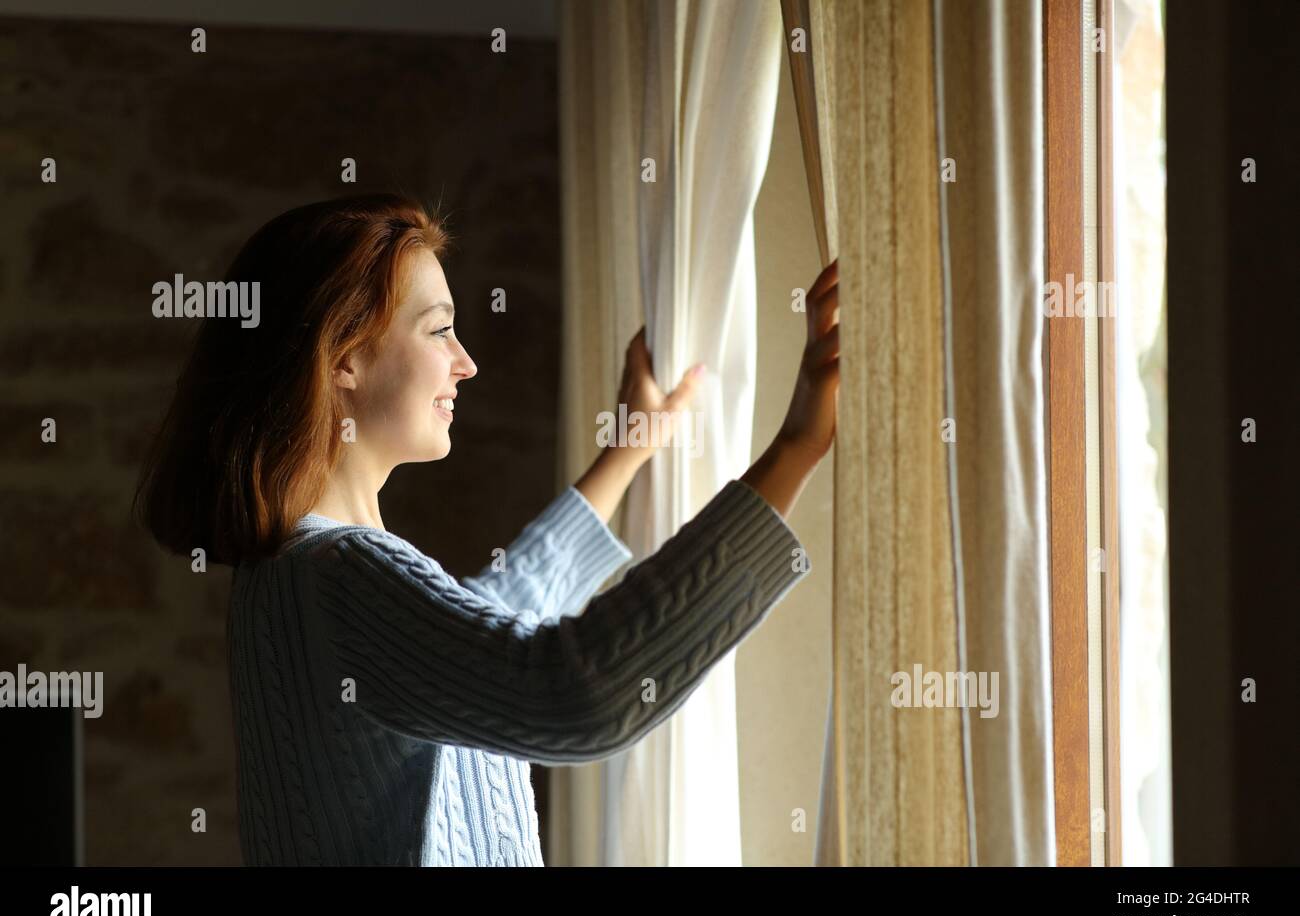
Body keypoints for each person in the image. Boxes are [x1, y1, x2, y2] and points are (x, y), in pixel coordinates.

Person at [133, 193, 840, 866]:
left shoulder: (294, 579)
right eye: (439, 329)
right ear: (343, 354)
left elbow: (498, 616)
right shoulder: (335, 577)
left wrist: (627, 452)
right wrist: (796, 450)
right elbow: (572, 692)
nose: (465, 363)